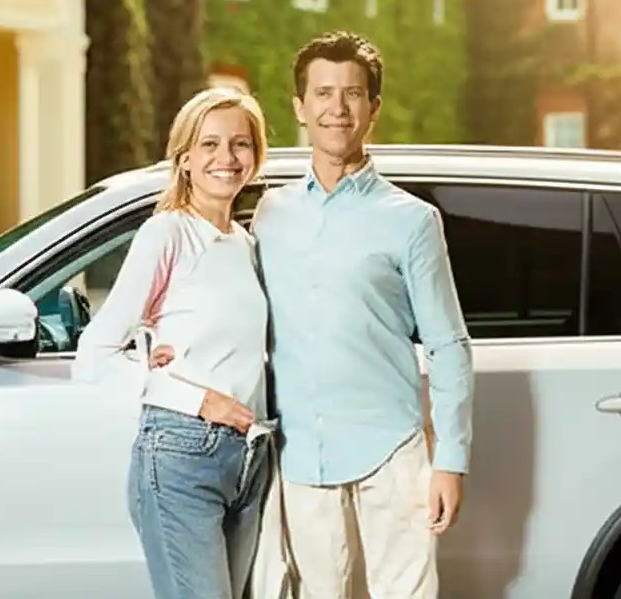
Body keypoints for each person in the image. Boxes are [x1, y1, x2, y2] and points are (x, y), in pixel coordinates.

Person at [250, 31, 474, 598]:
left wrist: (450, 461)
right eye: (323, 93)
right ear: (300, 107)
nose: (338, 108)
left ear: (373, 108)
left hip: (392, 454)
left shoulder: (412, 221)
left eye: (352, 94)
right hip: (300, 456)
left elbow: (448, 345)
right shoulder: (271, 214)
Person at [73, 86, 276, 599]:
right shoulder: (167, 233)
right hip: (183, 453)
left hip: (248, 457)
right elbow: (93, 356)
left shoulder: (245, 243)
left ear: (256, 155)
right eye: (209, 144)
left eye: (240, 144)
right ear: (184, 159)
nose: (226, 157)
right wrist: (196, 399)